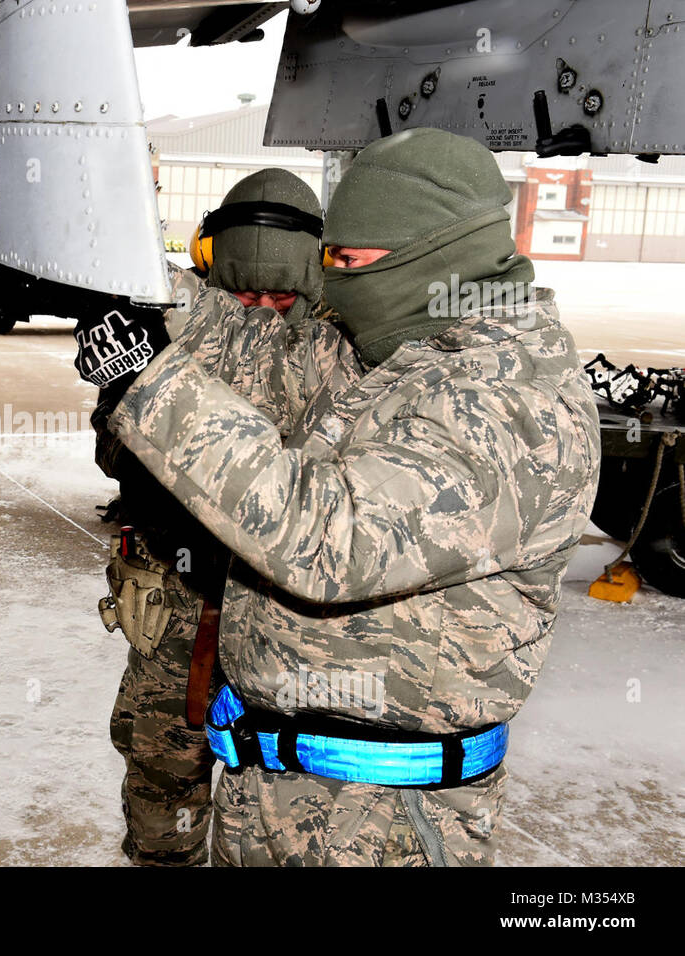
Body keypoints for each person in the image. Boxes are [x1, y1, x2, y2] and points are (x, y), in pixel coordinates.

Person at [73, 128, 599, 866]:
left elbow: (325, 536)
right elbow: (271, 353)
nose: (338, 284)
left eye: (350, 263)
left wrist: (150, 382)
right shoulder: (410, 349)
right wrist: (146, 307)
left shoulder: (508, 402)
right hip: (287, 790)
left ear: (431, 256)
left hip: (376, 824)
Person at [92, 169, 329, 865]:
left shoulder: (341, 350)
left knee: (287, 787)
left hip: (291, 617)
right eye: (243, 292)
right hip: (183, 599)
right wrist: (124, 401)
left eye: (280, 295)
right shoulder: (181, 331)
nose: (260, 309)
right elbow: (112, 457)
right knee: (161, 761)